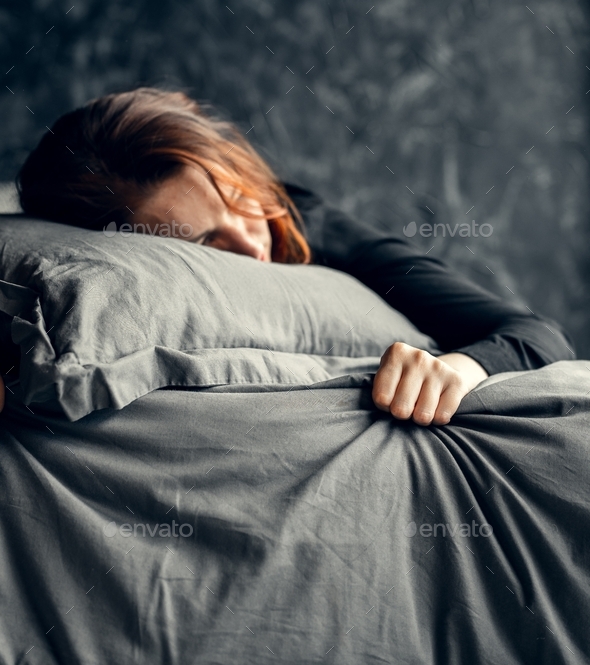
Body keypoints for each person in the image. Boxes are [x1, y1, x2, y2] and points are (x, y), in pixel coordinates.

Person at [0, 87, 574, 422]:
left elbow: (533, 334)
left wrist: (458, 367)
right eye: (204, 245)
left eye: (242, 200)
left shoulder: (308, 222)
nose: (252, 240)